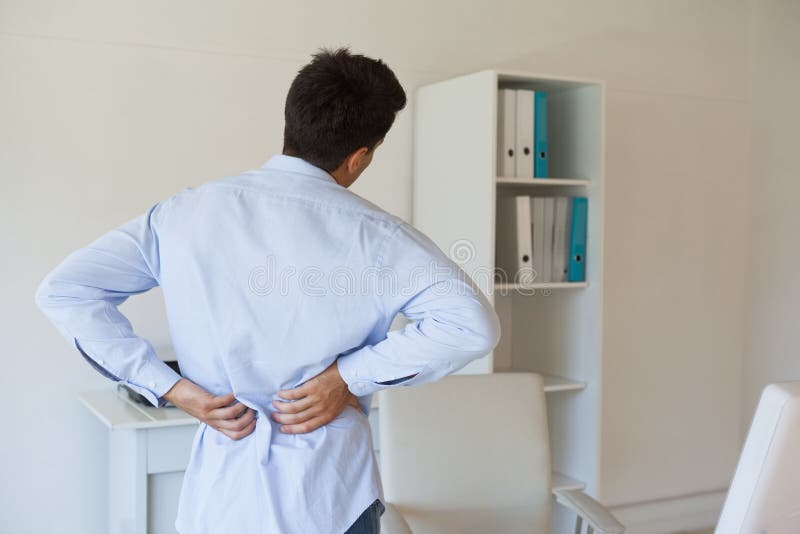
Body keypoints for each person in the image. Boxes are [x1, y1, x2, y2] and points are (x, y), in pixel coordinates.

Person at [35, 46, 500, 534]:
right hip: (332, 498)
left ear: (291, 122)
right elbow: (472, 327)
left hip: (220, 502)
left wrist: (168, 387)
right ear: (360, 155)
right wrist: (348, 376)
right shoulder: (383, 237)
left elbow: (66, 291)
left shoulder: (184, 214)